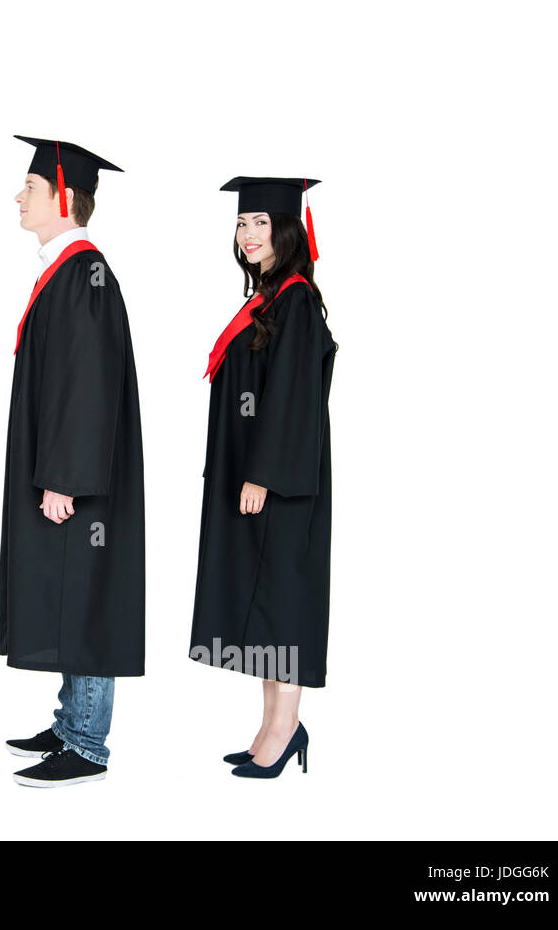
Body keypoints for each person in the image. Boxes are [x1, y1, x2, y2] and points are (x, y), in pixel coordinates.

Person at [0, 137, 145, 787]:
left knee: (86, 595)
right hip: (66, 470)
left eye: (28, 186)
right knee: (68, 588)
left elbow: (88, 385)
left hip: (79, 479)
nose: (18, 197)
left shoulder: (86, 275)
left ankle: (86, 740)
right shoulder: (64, 271)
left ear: (60, 193)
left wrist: (64, 473)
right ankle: (69, 719)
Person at [189, 176, 337, 779]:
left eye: (261, 222)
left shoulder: (297, 299)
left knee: (283, 602)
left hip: (282, 483)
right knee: (264, 601)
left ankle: (285, 729)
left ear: (287, 229)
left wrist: (263, 475)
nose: (250, 233)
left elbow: (293, 398)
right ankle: (272, 725)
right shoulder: (269, 299)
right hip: (259, 479)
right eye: (243, 222)